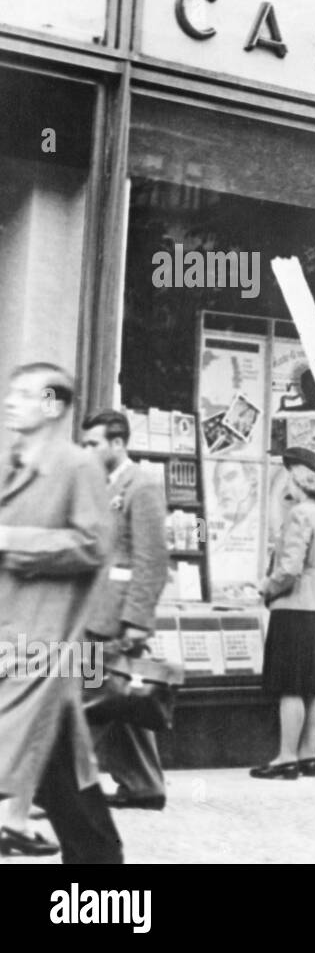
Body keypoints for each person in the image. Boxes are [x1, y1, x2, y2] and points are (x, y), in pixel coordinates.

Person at [0, 362, 120, 863]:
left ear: (54, 406)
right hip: (16, 648)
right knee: (67, 785)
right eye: (11, 391)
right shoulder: (13, 464)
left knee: (58, 778)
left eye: (26, 394)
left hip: (41, 650)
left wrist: (12, 541)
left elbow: (94, 545)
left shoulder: (76, 466)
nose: (11, 401)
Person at [80, 410, 169, 811]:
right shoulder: (99, 484)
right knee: (123, 703)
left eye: (93, 444)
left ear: (118, 444)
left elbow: (152, 559)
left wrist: (137, 621)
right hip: (95, 611)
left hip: (116, 617)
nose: (87, 451)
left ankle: (62, 787)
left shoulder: (142, 484)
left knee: (86, 701)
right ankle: (145, 785)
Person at [251, 447, 315, 780]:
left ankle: (286, 757)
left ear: (297, 478)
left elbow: (288, 569)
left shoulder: (299, 514)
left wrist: (265, 587)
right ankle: (308, 755)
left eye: (289, 473)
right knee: (313, 687)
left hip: (292, 608)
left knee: (290, 687)